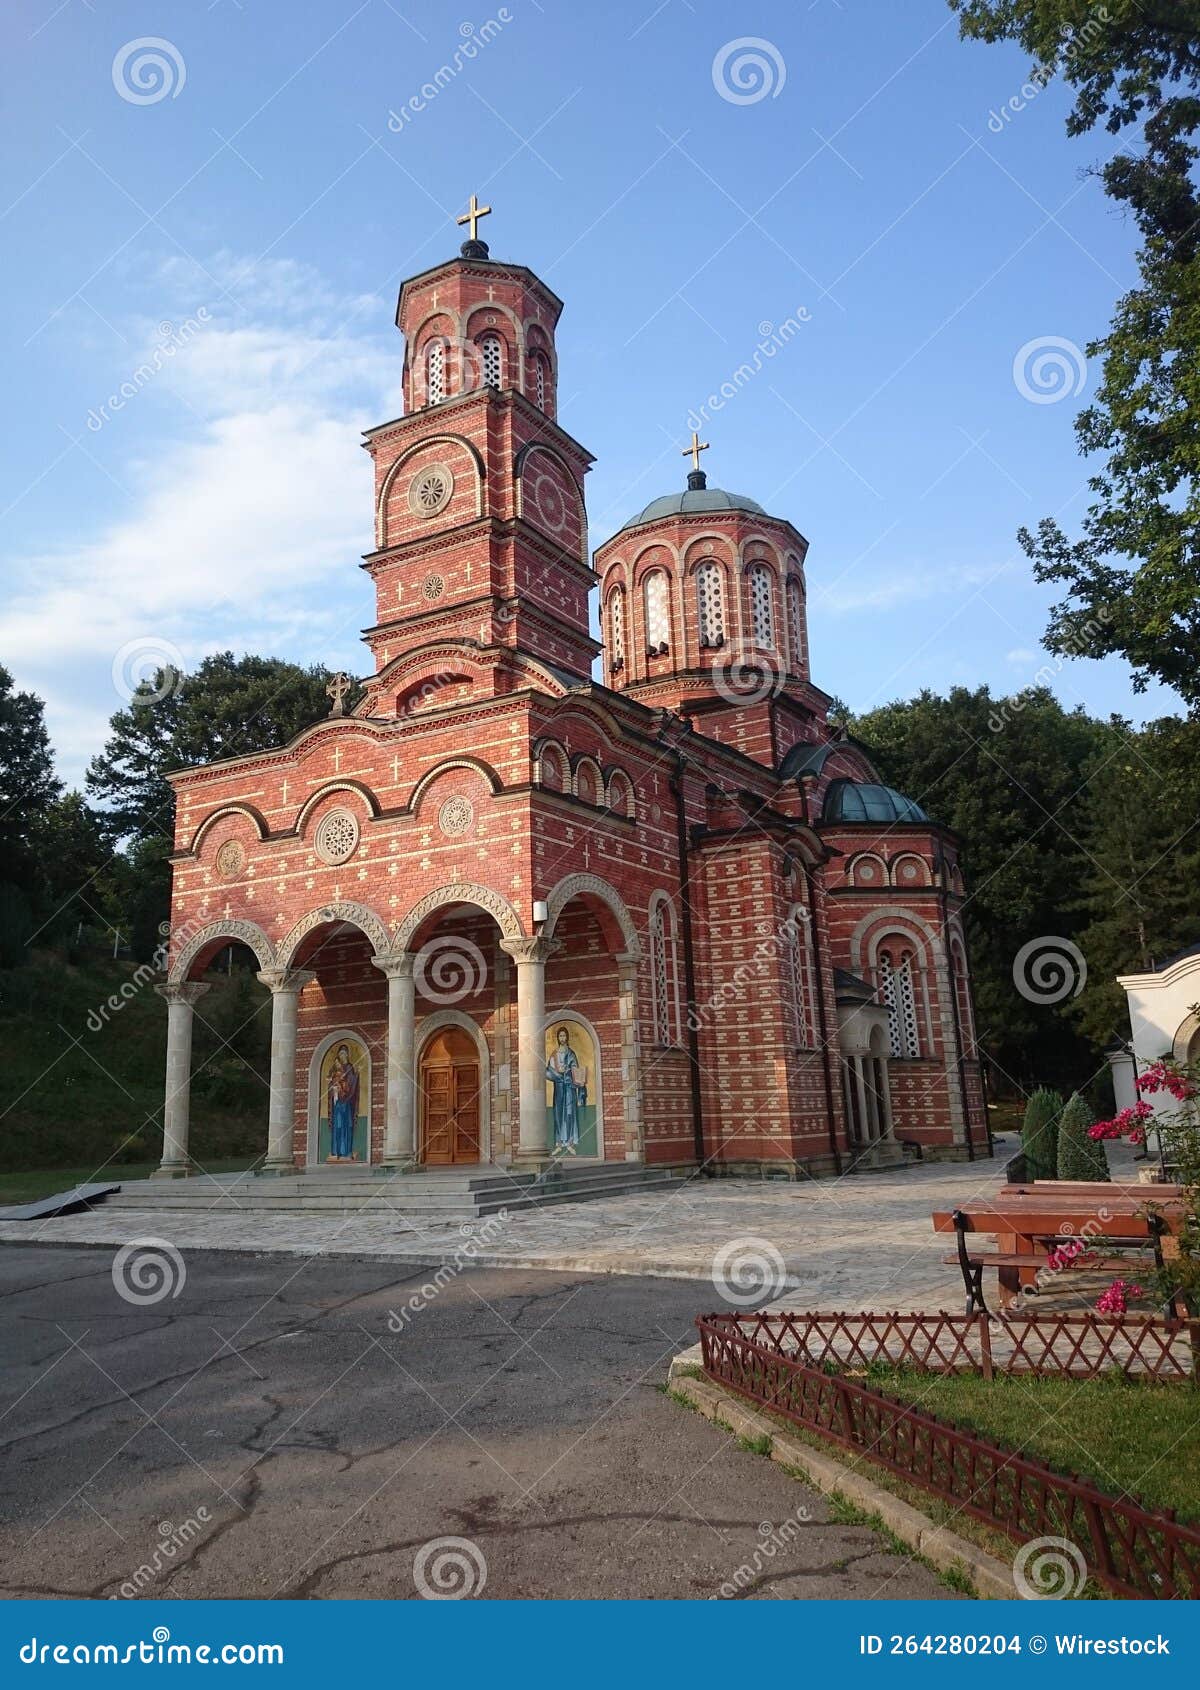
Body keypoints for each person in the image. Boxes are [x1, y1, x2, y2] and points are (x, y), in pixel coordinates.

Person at [545, 1025, 586, 1151]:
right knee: (558, 1114)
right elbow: (548, 1070)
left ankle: (569, 1142)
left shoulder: (571, 1053)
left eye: (564, 1036)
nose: (562, 1038)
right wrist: (557, 1072)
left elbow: (576, 1070)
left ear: (567, 1037)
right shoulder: (554, 1054)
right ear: (558, 1038)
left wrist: (567, 1070)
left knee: (569, 1113)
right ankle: (558, 1143)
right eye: (560, 1036)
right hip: (559, 1088)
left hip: (569, 1088)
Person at [327, 1043, 360, 1161]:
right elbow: (330, 1082)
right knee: (338, 1126)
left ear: (347, 1054)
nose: (342, 1055)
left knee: (347, 1125)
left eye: (344, 1053)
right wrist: (333, 1087)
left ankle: (346, 1151)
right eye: (340, 1053)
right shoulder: (335, 1069)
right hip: (337, 1102)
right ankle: (336, 1151)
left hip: (346, 1102)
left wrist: (355, 1077)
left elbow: (352, 1083)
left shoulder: (350, 1067)